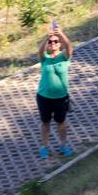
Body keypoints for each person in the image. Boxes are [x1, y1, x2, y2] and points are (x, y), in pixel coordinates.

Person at [36, 23, 75, 159]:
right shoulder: (44, 58)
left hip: (60, 97)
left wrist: (61, 34)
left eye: (55, 42)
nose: (52, 43)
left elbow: (69, 47)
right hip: (44, 96)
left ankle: (63, 145)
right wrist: (46, 38)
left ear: (59, 44)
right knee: (45, 122)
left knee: (61, 122)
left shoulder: (64, 57)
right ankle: (44, 147)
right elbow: (39, 51)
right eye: (50, 42)